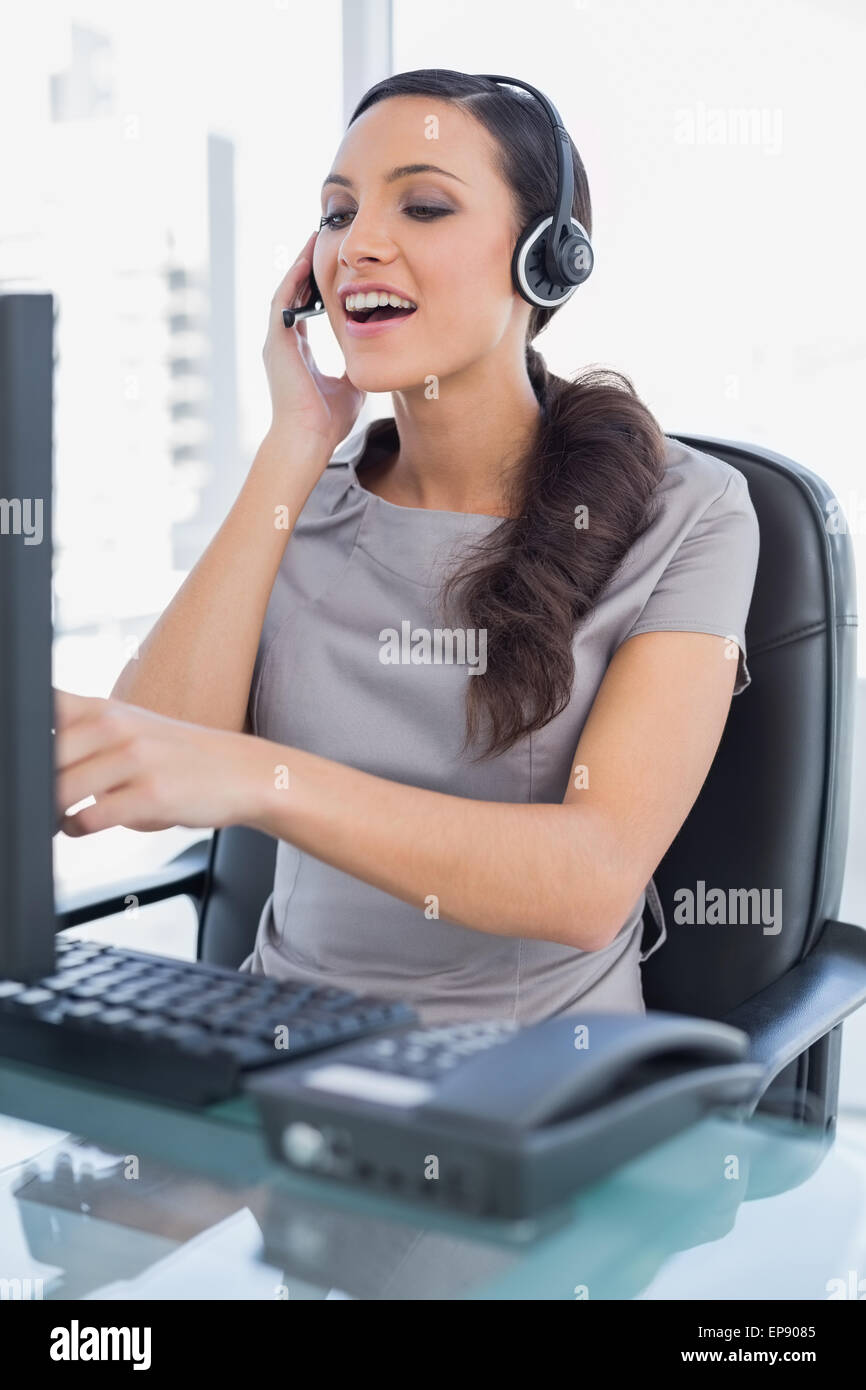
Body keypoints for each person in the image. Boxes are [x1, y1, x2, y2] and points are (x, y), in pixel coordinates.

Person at [54, 70, 760, 1027]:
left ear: (546, 261)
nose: (360, 248)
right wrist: (295, 443)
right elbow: (152, 776)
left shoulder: (692, 513)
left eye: (423, 206)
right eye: (337, 215)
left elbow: (590, 884)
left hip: (531, 1092)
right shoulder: (300, 500)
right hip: (272, 1059)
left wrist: (269, 781)